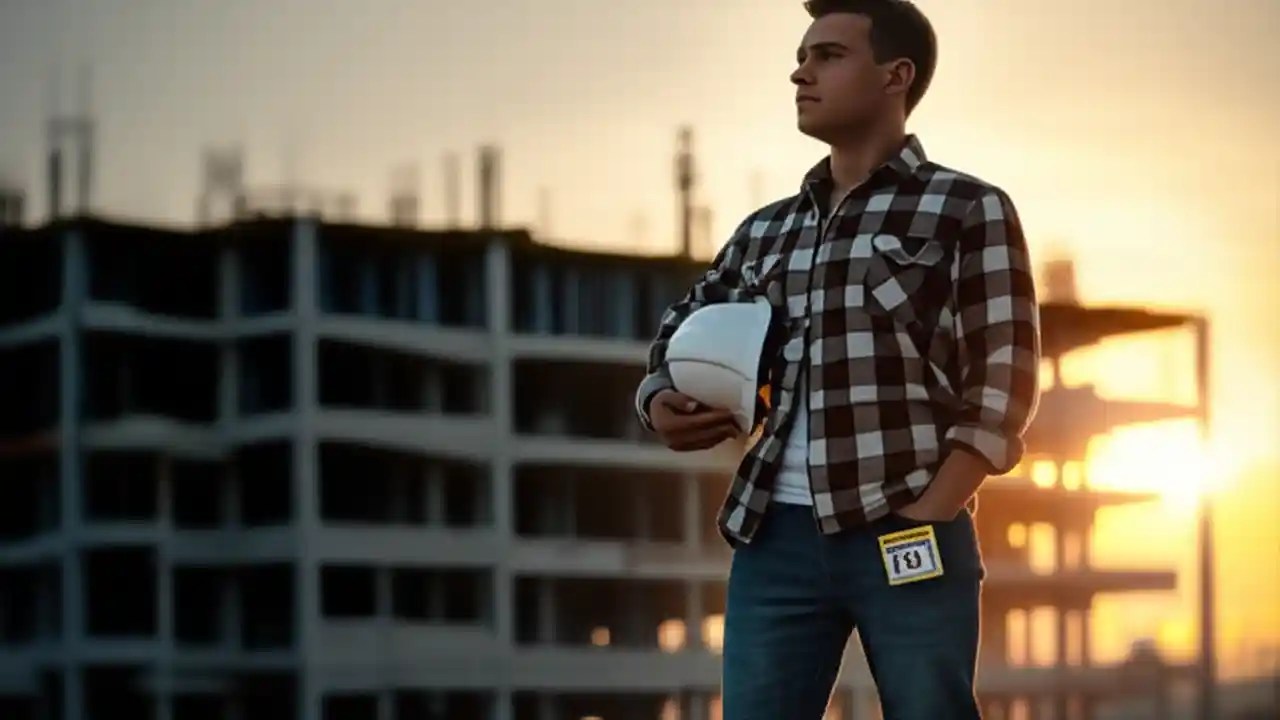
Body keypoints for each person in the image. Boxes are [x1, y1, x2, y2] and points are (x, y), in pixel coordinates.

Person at [633, 1, 1042, 718]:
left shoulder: (966, 208)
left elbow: (1005, 373)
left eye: (827, 55)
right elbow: (677, 330)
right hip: (775, 537)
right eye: (802, 56)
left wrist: (936, 505)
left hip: (909, 518)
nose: (800, 72)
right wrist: (659, 395)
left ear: (896, 75)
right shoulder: (766, 232)